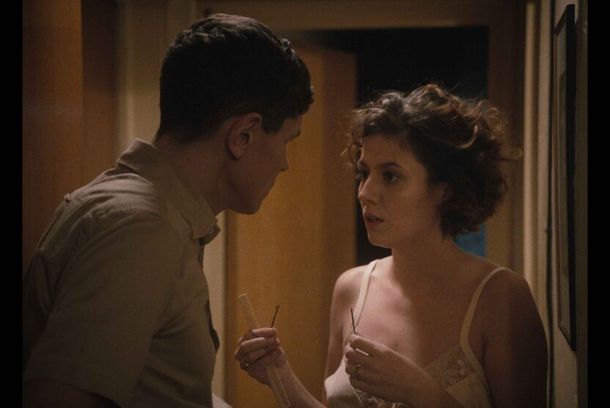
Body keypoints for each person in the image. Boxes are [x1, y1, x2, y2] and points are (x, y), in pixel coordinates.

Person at [22, 13, 313, 407]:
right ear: (243, 135)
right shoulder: (140, 229)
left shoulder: (155, 218)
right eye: (287, 141)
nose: (284, 163)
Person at [234, 83, 548, 407]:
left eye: (391, 176)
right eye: (364, 173)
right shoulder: (351, 289)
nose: (365, 192)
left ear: (445, 189)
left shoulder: (501, 298)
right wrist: (280, 374)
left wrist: (422, 393)